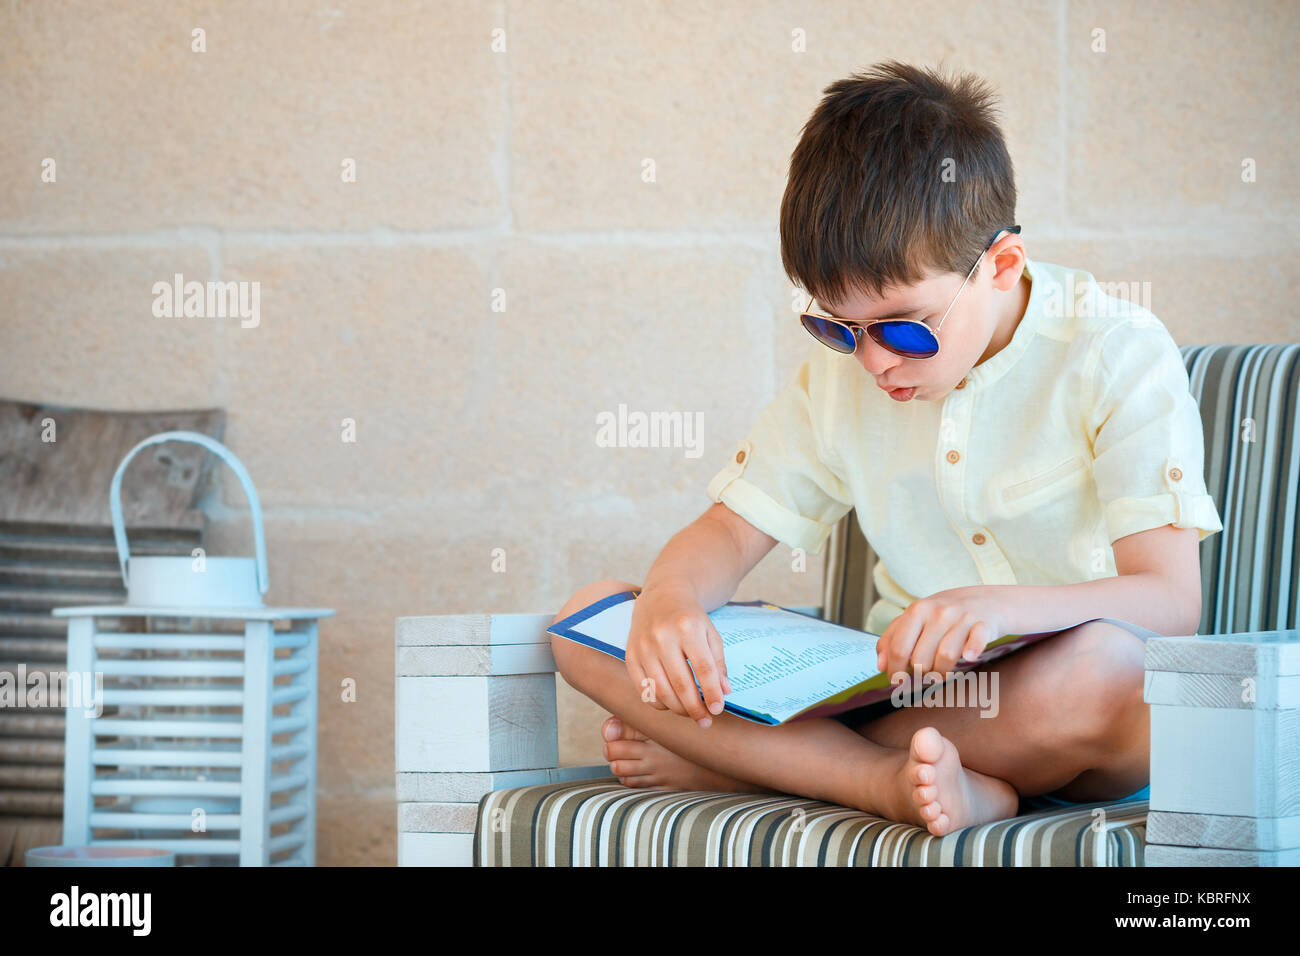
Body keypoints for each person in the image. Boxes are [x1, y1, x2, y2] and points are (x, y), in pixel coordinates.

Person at [548, 61, 1222, 836]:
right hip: (906, 699)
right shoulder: (843, 381)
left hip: (1063, 712)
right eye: (836, 327)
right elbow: (730, 533)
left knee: (1103, 673)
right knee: (588, 626)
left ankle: (763, 765)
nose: (873, 362)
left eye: (905, 327)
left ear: (1002, 266)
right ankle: (876, 780)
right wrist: (669, 603)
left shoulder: (1115, 349)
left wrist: (1004, 610)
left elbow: (1171, 604)